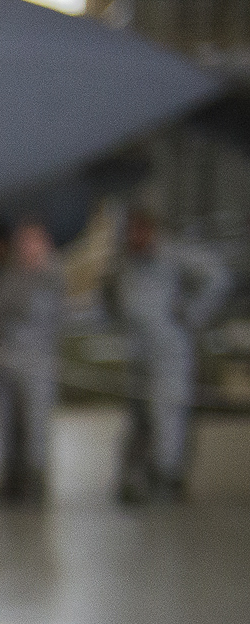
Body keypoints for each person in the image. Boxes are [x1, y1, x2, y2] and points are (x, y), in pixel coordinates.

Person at [106, 207, 234, 504]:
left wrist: (192, 313)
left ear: (152, 230)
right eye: (130, 231)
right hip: (139, 355)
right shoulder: (126, 262)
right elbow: (114, 298)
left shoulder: (174, 256)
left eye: (139, 230)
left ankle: (167, 480)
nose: (133, 236)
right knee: (139, 421)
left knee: (168, 419)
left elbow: (218, 279)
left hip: (170, 355)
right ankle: (134, 480)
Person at [0, 220, 66, 502]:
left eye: (33, 242)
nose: (27, 248)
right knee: (5, 423)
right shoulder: (7, 275)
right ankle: (10, 480)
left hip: (38, 363)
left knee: (35, 423)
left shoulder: (53, 276)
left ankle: (34, 481)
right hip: (4, 360)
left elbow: (52, 316)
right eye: (23, 242)